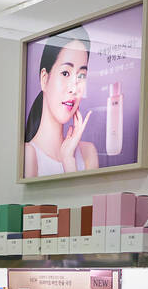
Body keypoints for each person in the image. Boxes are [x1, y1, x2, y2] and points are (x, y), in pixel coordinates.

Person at [23, 27, 99, 178]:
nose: (74, 88)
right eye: (65, 73)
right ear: (44, 79)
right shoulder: (29, 154)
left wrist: (68, 159)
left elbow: (84, 200)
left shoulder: (88, 152)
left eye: (81, 76)